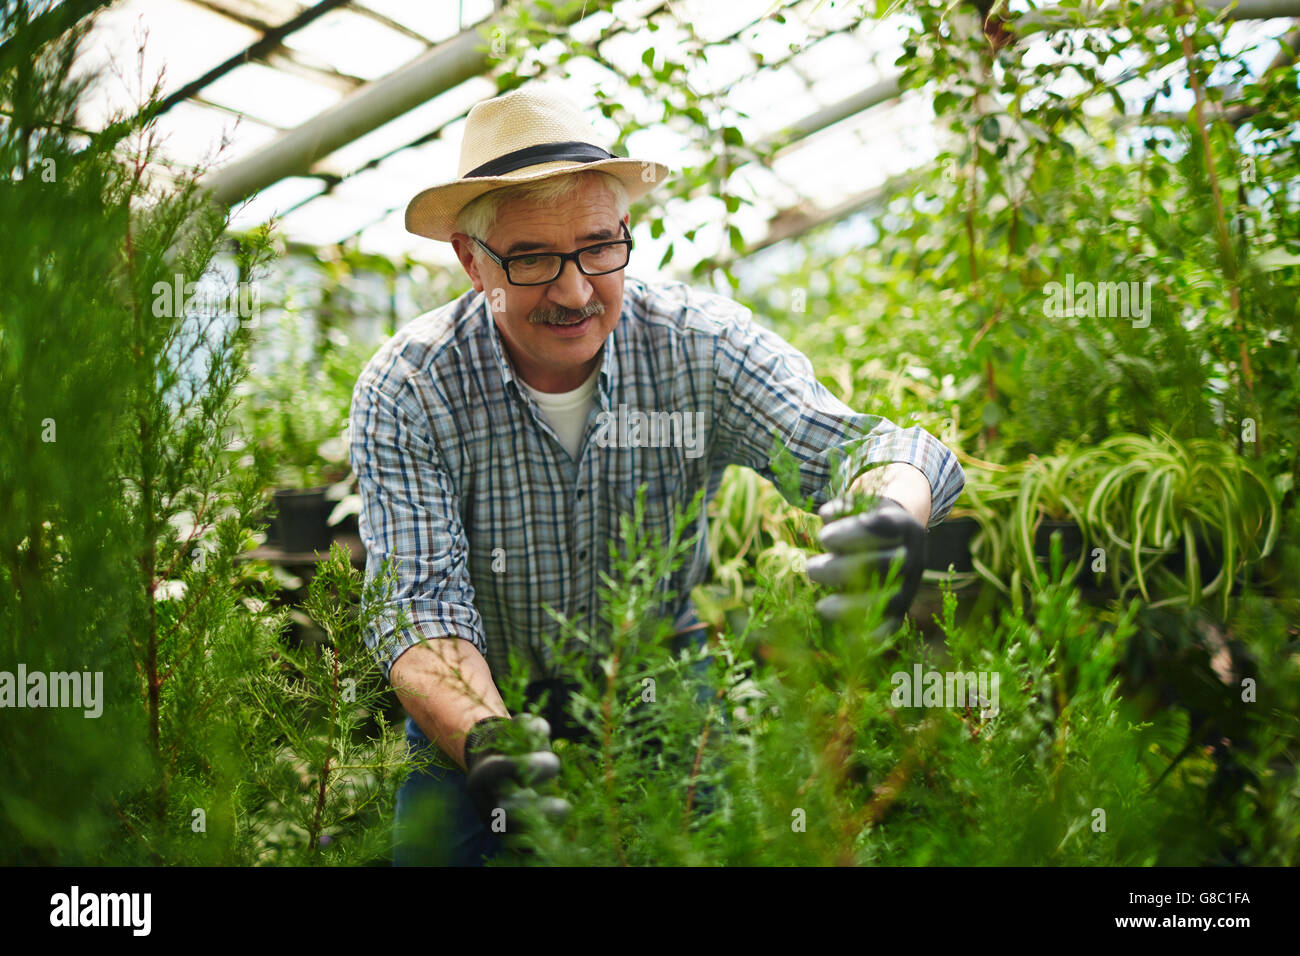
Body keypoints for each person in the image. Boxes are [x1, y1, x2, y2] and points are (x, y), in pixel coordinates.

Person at [348, 87, 965, 866]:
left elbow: (852, 446)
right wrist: (484, 741)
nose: (574, 292)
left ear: (626, 233)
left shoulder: (696, 344)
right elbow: (417, 604)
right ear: (473, 262)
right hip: (475, 707)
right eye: (533, 259)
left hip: (660, 699)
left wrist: (896, 514)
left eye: (599, 248)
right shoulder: (411, 388)